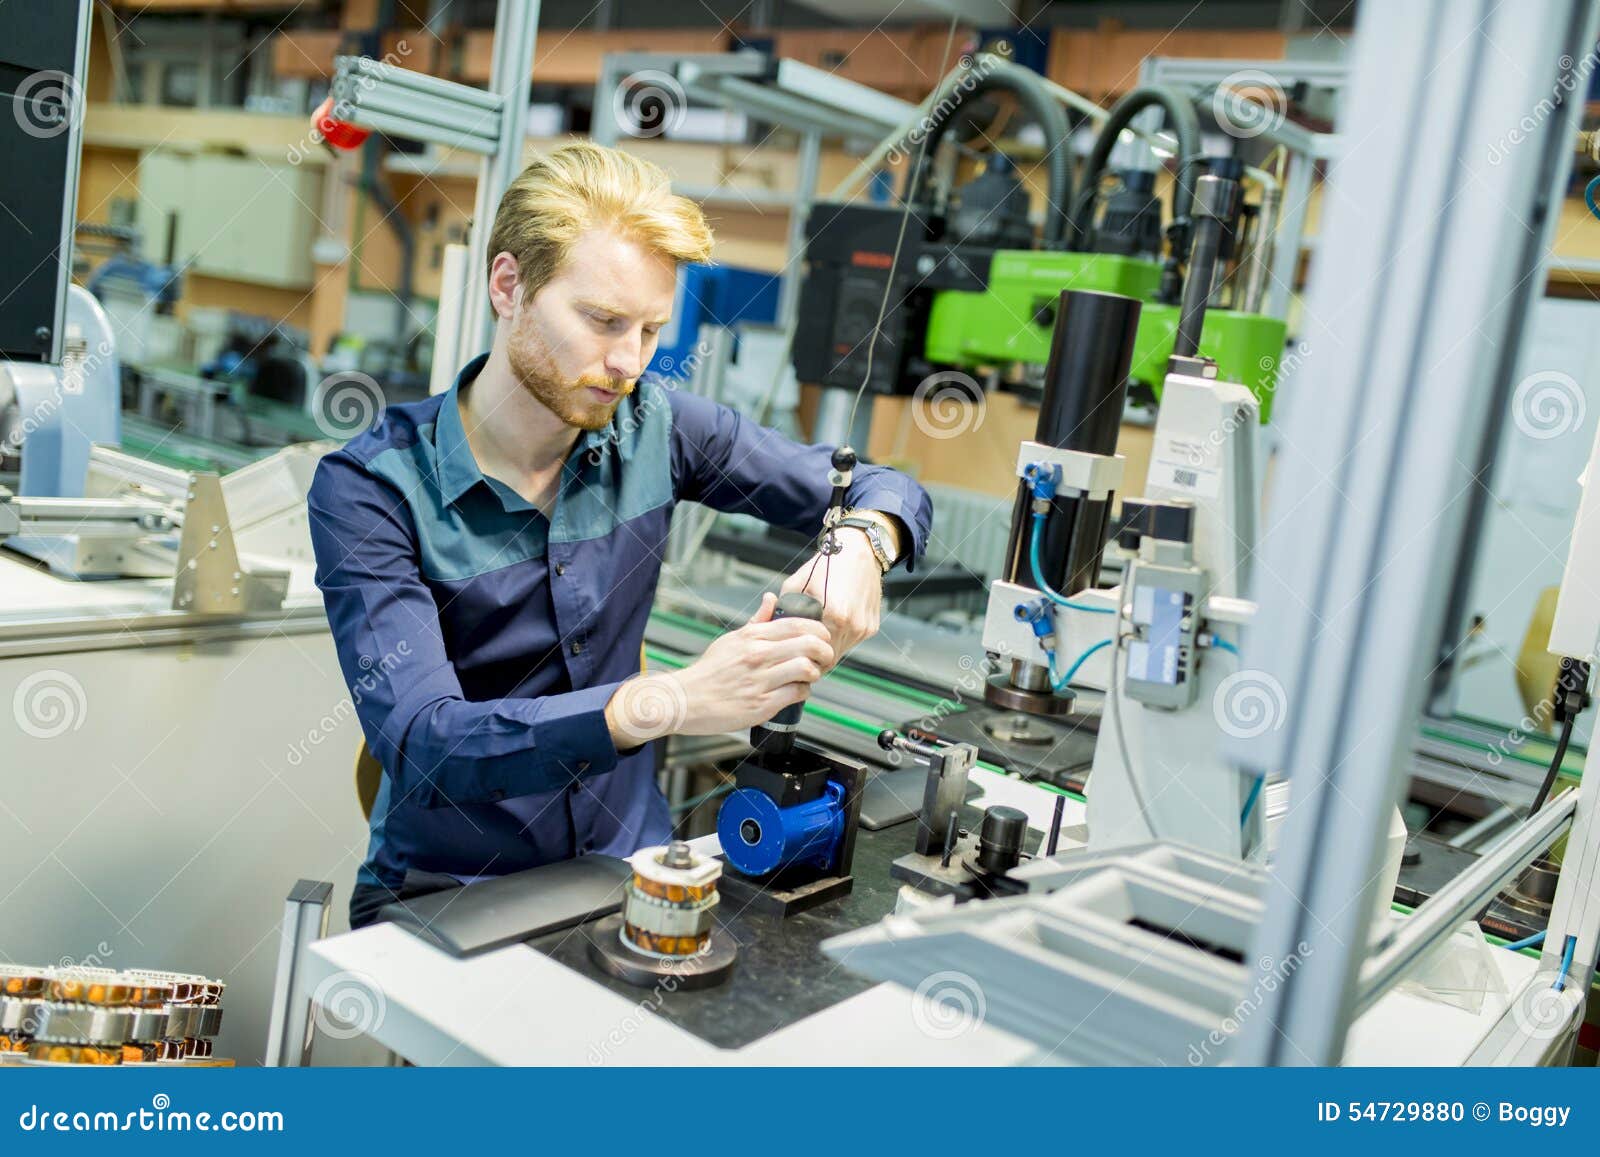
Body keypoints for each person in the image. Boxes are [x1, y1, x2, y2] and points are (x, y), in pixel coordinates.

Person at [308, 141, 932, 929]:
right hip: (452, 891)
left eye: (649, 329)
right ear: (509, 286)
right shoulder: (371, 489)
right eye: (603, 321)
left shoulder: (658, 428)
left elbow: (883, 487)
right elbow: (424, 744)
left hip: (629, 870)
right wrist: (670, 700)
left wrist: (865, 544)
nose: (628, 361)